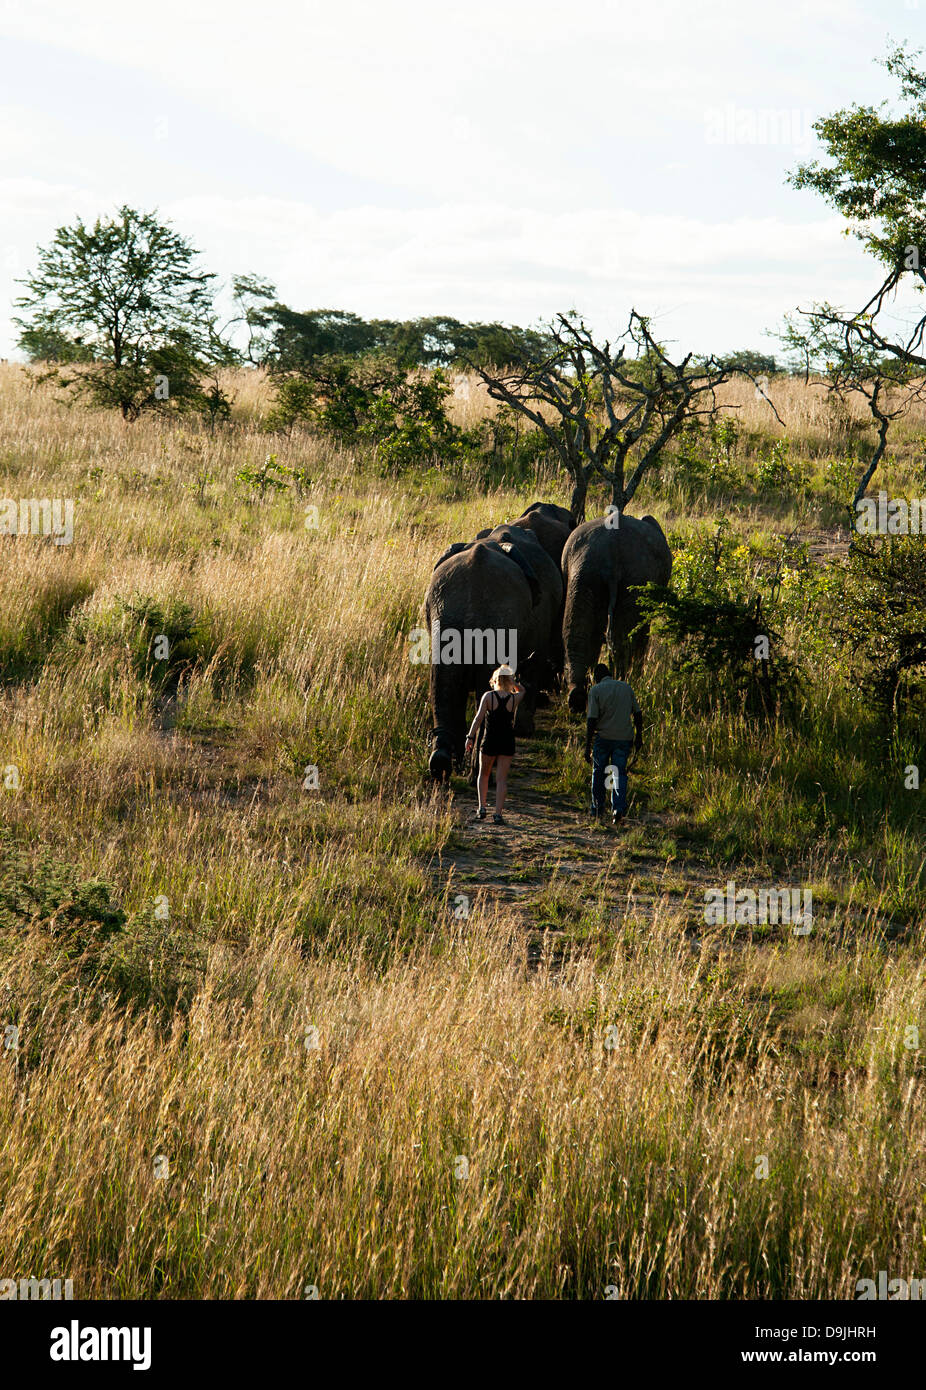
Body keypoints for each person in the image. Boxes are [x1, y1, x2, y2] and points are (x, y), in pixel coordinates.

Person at [465, 665, 525, 825]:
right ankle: (498, 814)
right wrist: (515, 681)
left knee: (483, 775)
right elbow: (523, 690)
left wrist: (470, 737)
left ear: (495, 679)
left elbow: (478, 719)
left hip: (489, 739)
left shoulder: (488, 696)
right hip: (507, 741)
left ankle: (482, 808)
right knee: (501, 780)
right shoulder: (514, 699)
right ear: (509, 680)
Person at [585, 662, 642, 825]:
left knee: (599, 772)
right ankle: (618, 809)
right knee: (619, 773)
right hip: (624, 738)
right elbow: (638, 714)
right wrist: (639, 737)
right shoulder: (626, 687)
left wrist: (587, 745)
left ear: (596, 677)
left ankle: (597, 808)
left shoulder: (596, 690)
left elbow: (591, 720)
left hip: (603, 738)